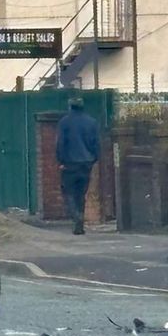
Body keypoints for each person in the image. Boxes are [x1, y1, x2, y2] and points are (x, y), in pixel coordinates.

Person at [55, 95, 101, 235]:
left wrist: (61, 161)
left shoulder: (64, 122)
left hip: (69, 163)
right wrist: (94, 159)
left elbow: (61, 143)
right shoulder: (91, 122)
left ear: (70, 106)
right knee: (81, 193)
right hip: (86, 163)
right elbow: (96, 144)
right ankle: (79, 224)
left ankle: (76, 216)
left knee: (68, 191)